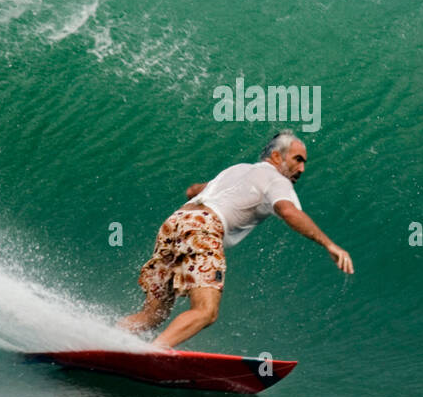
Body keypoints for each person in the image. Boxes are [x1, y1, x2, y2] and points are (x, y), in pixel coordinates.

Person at [118, 129, 354, 348]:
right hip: (204, 228)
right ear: (275, 156)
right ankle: (153, 352)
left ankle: (106, 340)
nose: (302, 169)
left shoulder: (238, 169)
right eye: (297, 160)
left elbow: (193, 191)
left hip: (174, 223)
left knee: (152, 315)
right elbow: (288, 211)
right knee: (206, 311)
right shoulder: (277, 180)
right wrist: (330, 245)